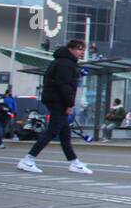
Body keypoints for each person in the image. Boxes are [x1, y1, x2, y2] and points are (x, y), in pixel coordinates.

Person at [17, 39, 92, 175]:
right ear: (71, 49)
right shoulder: (66, 63)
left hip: (54, 99)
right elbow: (64, 85)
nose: (82, 52)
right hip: (58, 101)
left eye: (83, 49)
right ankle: (28, 160)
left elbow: (64, 81)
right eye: (80, 49)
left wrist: (78, 74)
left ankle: (74, 162)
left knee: (64, 133)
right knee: (52, 131)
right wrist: (69, 104)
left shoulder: (61, 62)